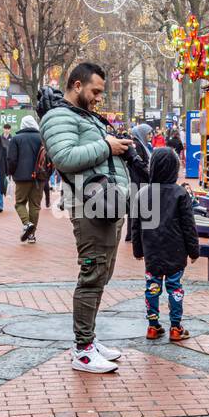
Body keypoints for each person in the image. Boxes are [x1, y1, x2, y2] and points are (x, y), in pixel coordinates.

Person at [40, 61, 133, 373]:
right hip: (90, 206)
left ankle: (89, 340)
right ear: (77, 86)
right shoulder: (58, 117)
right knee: (92, 274)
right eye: (95, 91)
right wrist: (107, 145)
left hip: (106, 204)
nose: (98, 97)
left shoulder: (81, 117)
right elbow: (65, 159)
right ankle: (82, 349)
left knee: (101, 273)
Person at [133, 147, 199, 341]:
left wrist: (138, 250)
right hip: (175, 250)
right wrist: (194, 251)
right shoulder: (180, 193)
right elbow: (189, 226)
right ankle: (176, 327)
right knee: (175, 287)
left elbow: (136, 225)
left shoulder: (143, 193)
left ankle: (153, 327)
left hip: (152, 250)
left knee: (152, 287)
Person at [7, 114, 45, 242]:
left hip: (22, 176)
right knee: (35, 205)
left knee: (20, 203)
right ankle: (31, 235)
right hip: (40, 177)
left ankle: (27, 223)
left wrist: (11, 173)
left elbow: (11, 159)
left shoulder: (16, 139)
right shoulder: (42, 138)